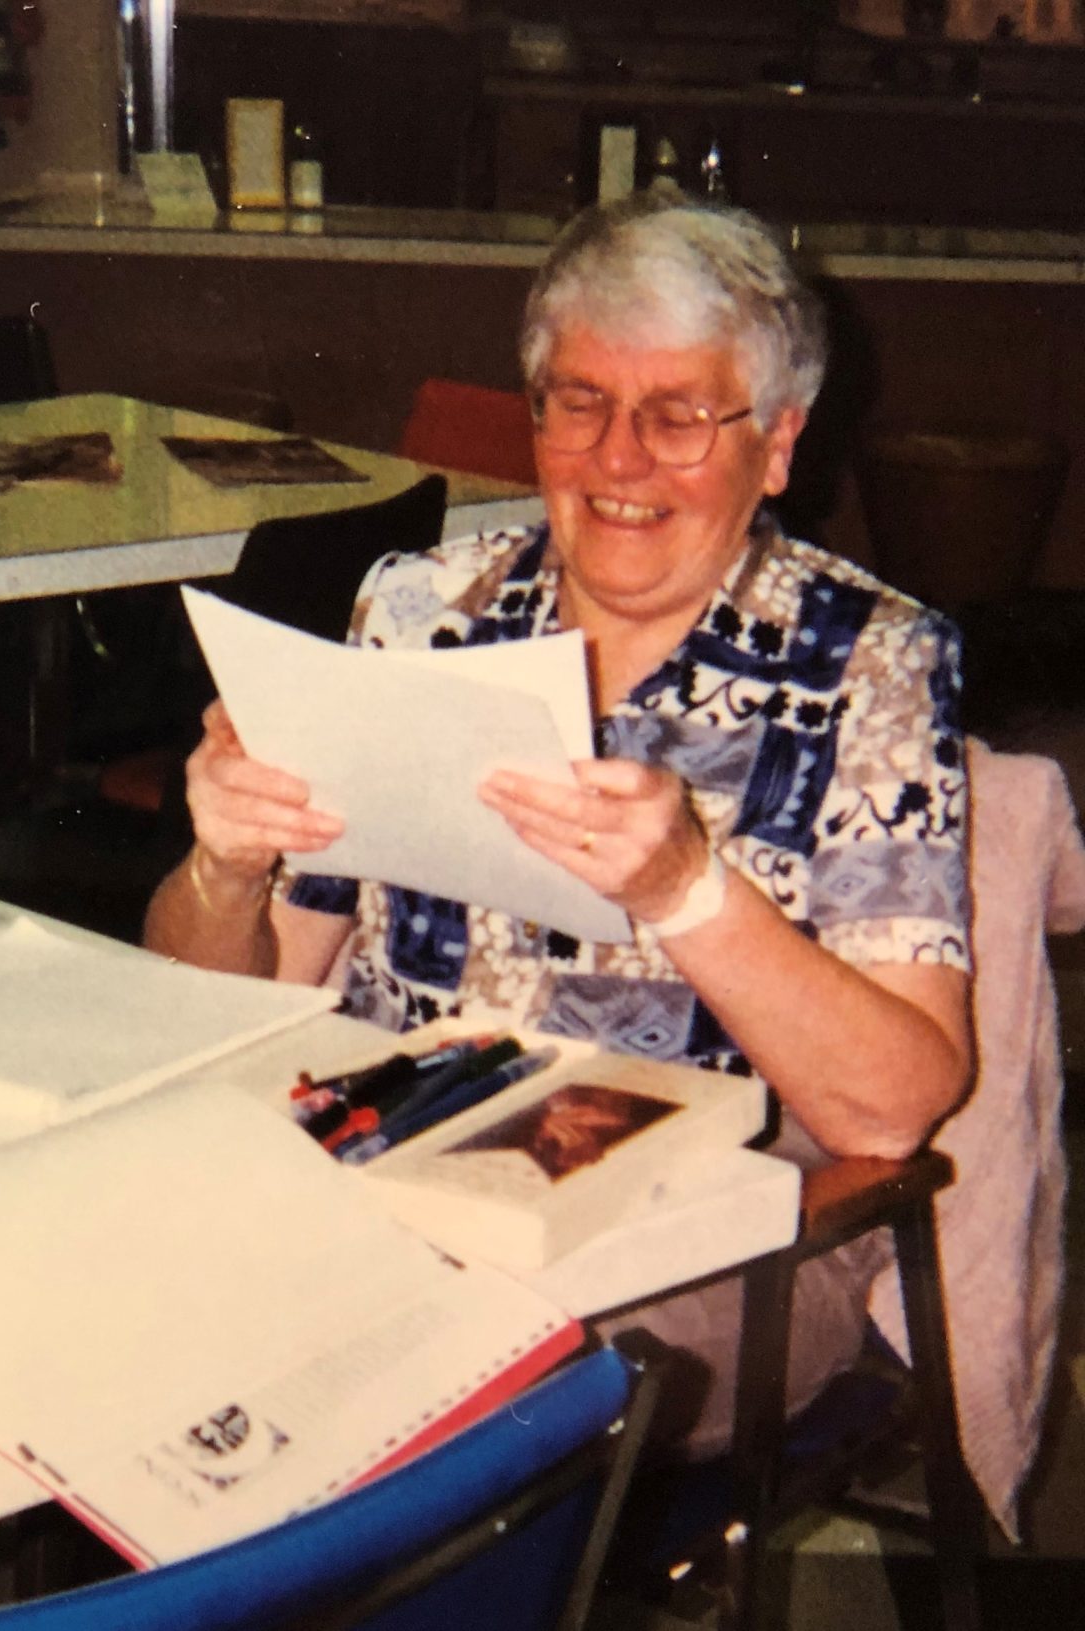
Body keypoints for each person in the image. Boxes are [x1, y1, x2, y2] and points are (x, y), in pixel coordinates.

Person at [146, 189, 972, 1452]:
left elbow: (893, 1107)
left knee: (368, 1399)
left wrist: (688, 893)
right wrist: (224, 862)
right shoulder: (424, 608)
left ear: (780, 443)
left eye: (680, 416)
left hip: (704, 1237)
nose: (618, 458)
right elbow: (227, 1016)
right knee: (109, 1310)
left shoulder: (868, 663)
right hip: (388, 1169)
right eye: (578, 401)